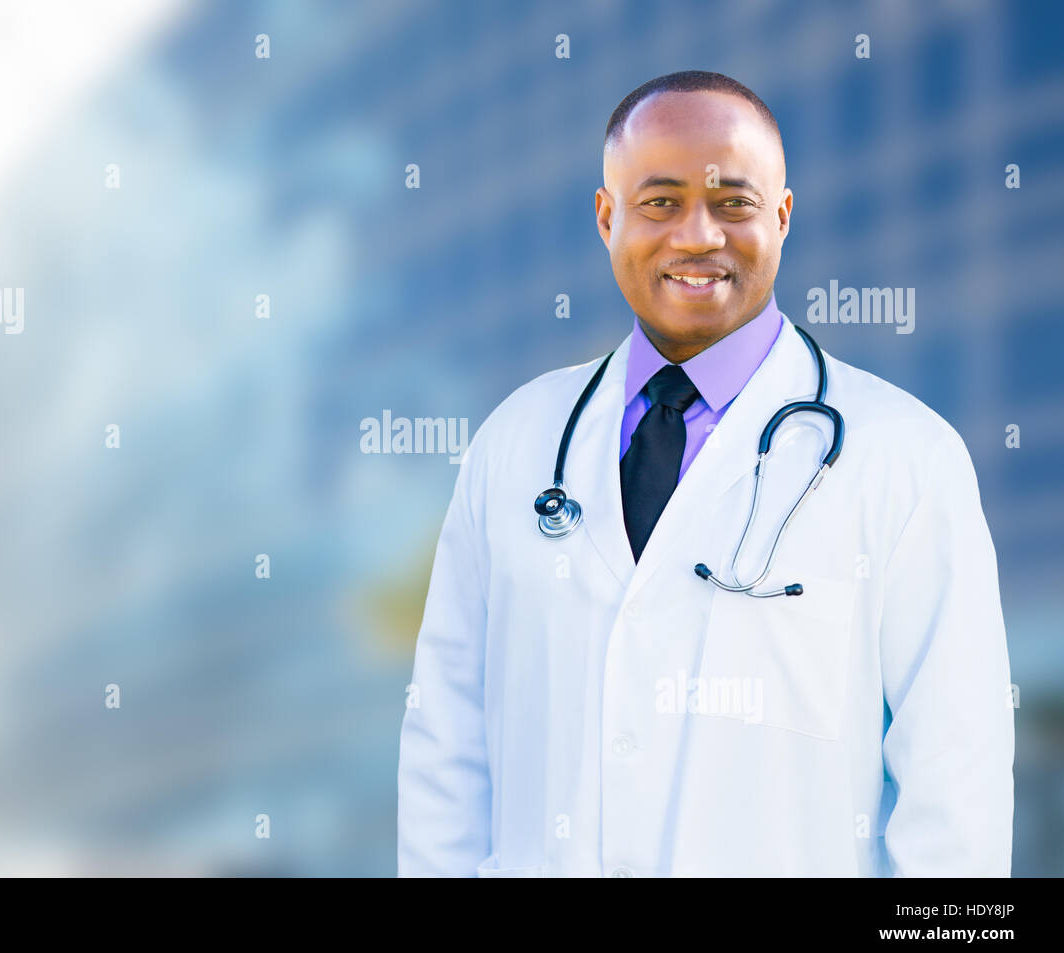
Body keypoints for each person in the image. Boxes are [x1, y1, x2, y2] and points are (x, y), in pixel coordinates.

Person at [396, 70, 1014, 876]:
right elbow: (448, 740)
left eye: (734, 204)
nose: (698, 236)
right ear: (606, 215)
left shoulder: (904, 457)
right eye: (660, 202)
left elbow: (955, 781)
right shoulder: (514, 443)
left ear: (783, 218)